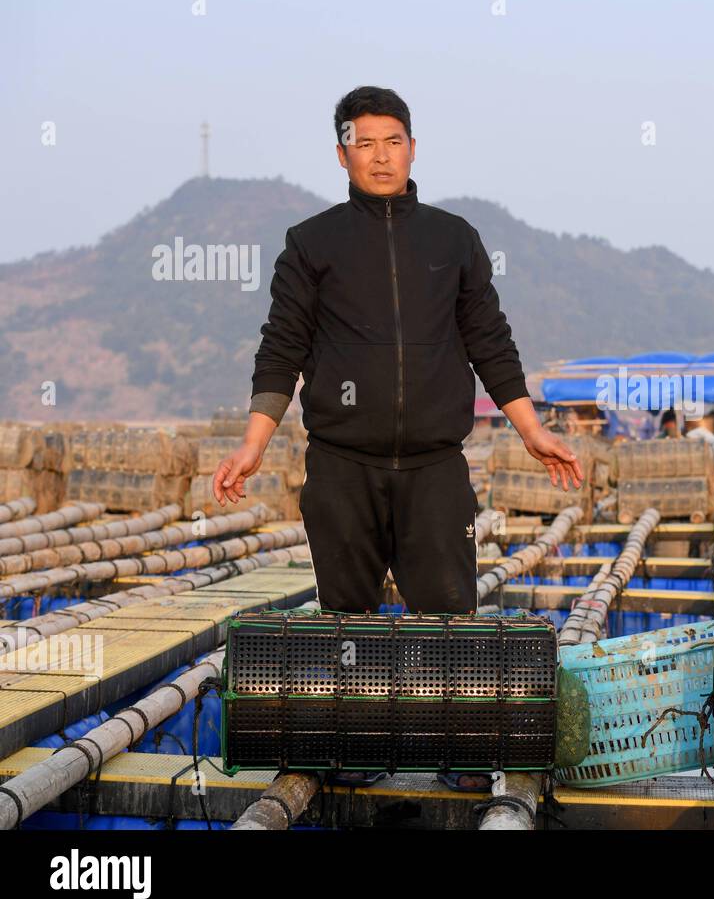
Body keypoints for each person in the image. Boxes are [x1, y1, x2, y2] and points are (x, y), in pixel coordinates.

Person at [214, 86, 583, 619]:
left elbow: (490, 341)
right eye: (365, 144)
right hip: (342, 470)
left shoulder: (453, 239)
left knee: (449, 628)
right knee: (347, 629)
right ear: (342, 154)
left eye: (393, 141)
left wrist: (533, 431)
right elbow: (281, 346)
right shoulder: (311, 243)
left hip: (435, 471)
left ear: (413, 147)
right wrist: (253, 445)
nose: (381, 155)